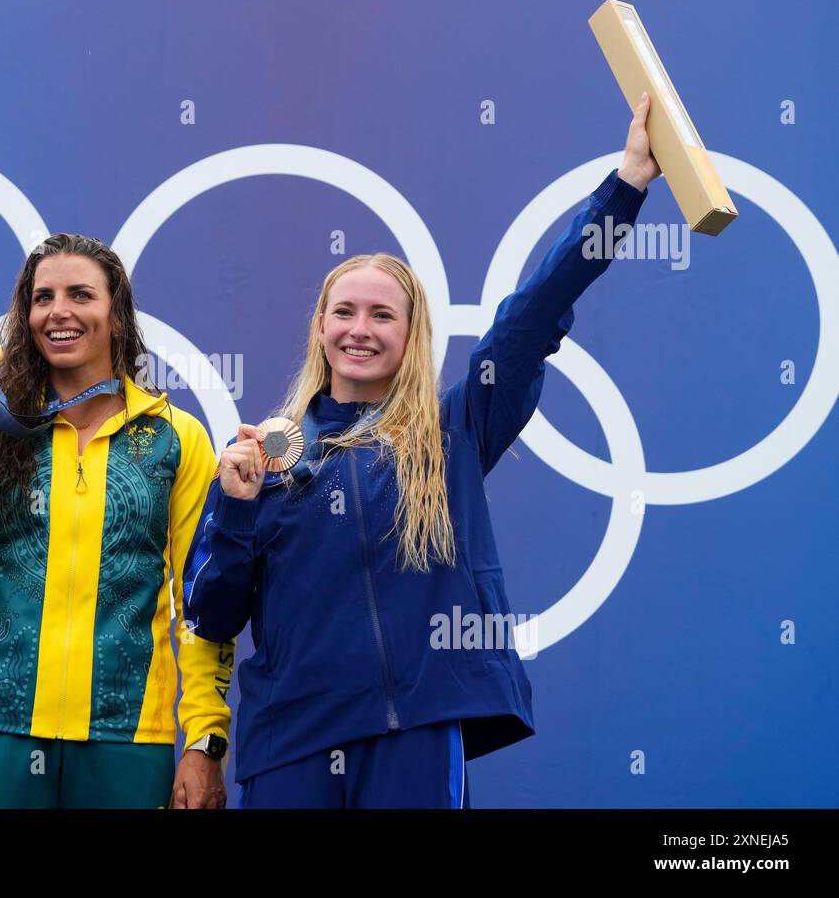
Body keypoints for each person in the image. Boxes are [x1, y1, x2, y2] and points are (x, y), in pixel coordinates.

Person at [185, 95, 662, 808]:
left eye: (383, 314)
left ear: (411, 334)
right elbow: (211, 615)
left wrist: (623, 188)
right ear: (319, 328)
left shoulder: (454, 428)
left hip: (419, 729)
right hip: (290, 740)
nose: (361, 329)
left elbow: (530, 316)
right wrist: (234, 507)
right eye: (344, 312)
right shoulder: (265, 456)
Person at [0, 233, 233, 809]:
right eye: (43, 298)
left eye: (80, 294)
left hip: (129, 738)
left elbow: (201, 603)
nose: (58, 311)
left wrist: (205, 740)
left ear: (116, 316)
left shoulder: (175, 437)